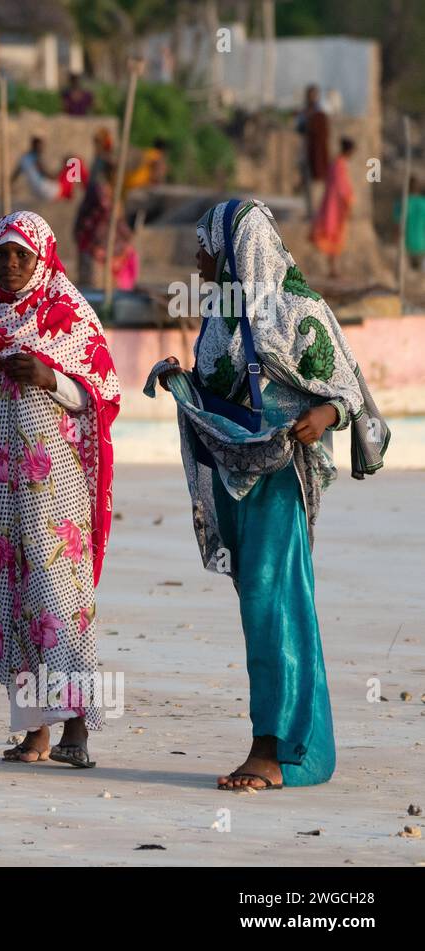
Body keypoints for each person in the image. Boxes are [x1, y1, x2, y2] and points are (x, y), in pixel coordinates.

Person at [149, 198, 389, 790]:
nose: (199, 260)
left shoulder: (296, 308)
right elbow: (218, 389)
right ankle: (300, 747)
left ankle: (273, 750)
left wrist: (326, 414)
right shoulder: (221, 315)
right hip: (237, 479)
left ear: (236, 249)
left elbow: (347, 387)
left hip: (280, 479)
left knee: (271, 601)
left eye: (206, 247)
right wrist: (183, 381)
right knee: (268, 602)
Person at [0, 211, 120, 767]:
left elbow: (104, 391)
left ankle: (78, 732)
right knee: (14, 601)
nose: (12, 265)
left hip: (57, 490)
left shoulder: (66, 313)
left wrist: (50, 378)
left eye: (22, 254)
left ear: (42, 256)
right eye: (2, 255)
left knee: (59, 601)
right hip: (2, 488)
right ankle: (34, 735)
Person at [74, 165, 138, 289]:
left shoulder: (109, 201)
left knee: (129, 253)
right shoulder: (99, 198)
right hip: (94, 247)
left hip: (105, 246)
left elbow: (121, 227)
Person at [311, 137, 355, 277]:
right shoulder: (339, 165)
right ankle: (332, 268)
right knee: (333, 234)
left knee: (335, 235)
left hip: (333, 205)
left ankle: (333, 268)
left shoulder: (336, 164)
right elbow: (342, 189)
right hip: (335, 207)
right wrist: (350, 202)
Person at [296, 85, 330, 218]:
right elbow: (300, 128)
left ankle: (317, 213)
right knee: (307, 185)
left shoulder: (319, 114)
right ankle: (310, 212)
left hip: (315, 155)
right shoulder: (305, 113)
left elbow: (322, 135)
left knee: (317, 186)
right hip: (305, 153)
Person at [11, 136, 62, 201]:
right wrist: (62, 170)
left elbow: (14, 176)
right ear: (35, 146)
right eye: (41, 146)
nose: (42, 149)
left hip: (34, 191)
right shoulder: (36, 159)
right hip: (47, 191)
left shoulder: (24, 158)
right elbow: (50, 176)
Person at [394, 175, 425, 269]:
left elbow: (397, 225)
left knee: (407, 275)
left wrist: (396, 242)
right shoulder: (423, 204)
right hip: (422, 244)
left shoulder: (401, 203)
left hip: (406, 244)